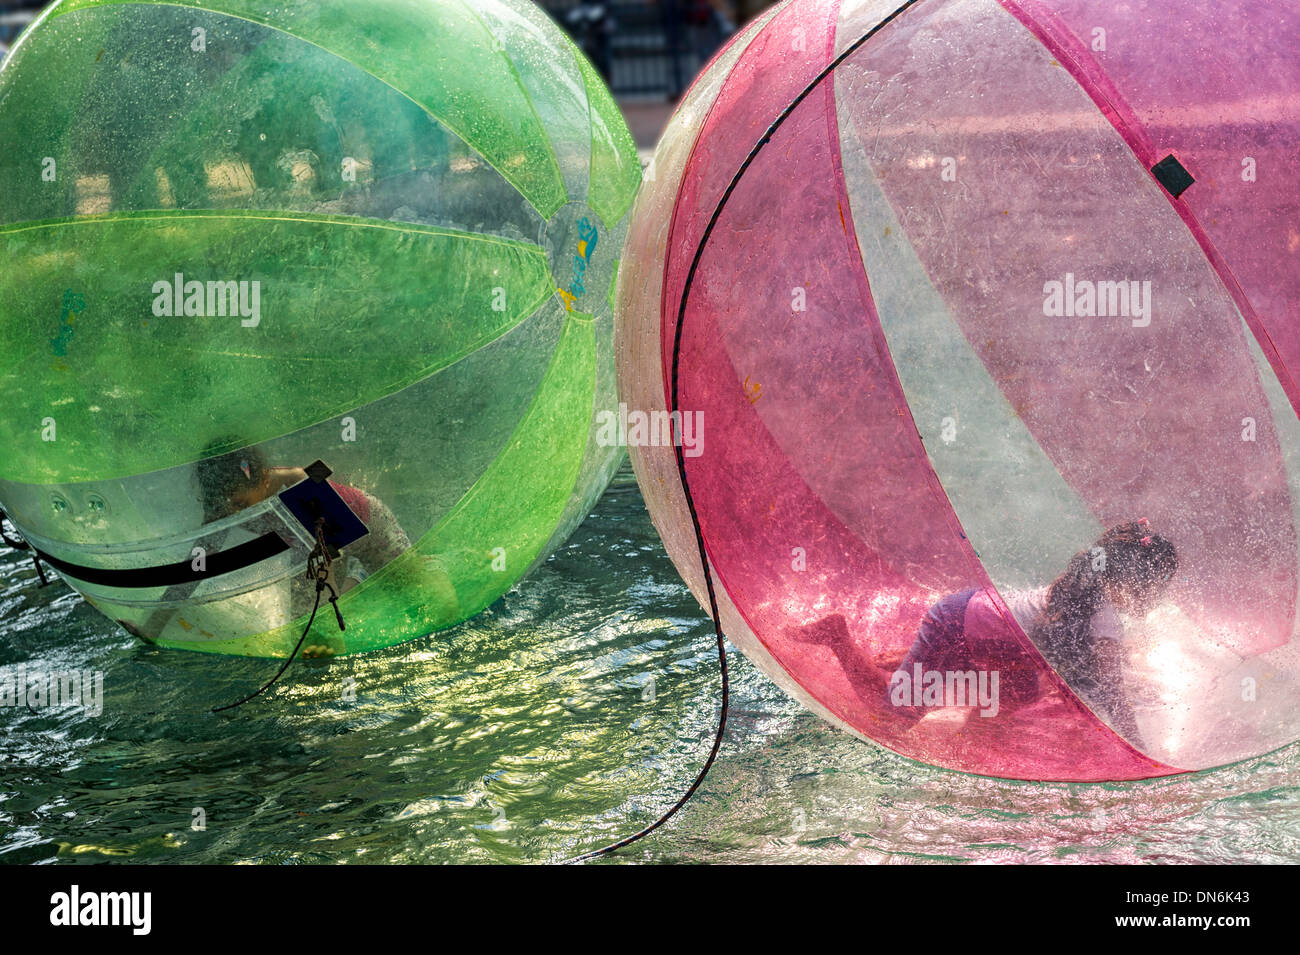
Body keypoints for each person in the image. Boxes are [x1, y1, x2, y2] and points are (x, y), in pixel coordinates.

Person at [788, 520, 1178, 744]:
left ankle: (937, 685)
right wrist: (1139, 750)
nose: (1160, 593)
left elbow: (1082, 664)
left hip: (985, 628)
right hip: (954, 624)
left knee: (1020, 693)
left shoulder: (1086, 591)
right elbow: (1110, 690)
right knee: (891, 718)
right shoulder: (1102, 615)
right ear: (1136, 578)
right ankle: (838, 638)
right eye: (1159, 583)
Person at [195, 441, 410, 594]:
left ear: (263, 480)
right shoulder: (222, 506)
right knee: (307, 619)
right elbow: (198, 564)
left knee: (411, 583)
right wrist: (160, 620)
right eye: (225, 505)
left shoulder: (294, 482)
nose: (234, 513)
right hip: (311, 545)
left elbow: (329, 548)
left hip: (368, 525)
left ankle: (358, 573)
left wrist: (329, 592)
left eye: (241, 504)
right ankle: (356, 574)